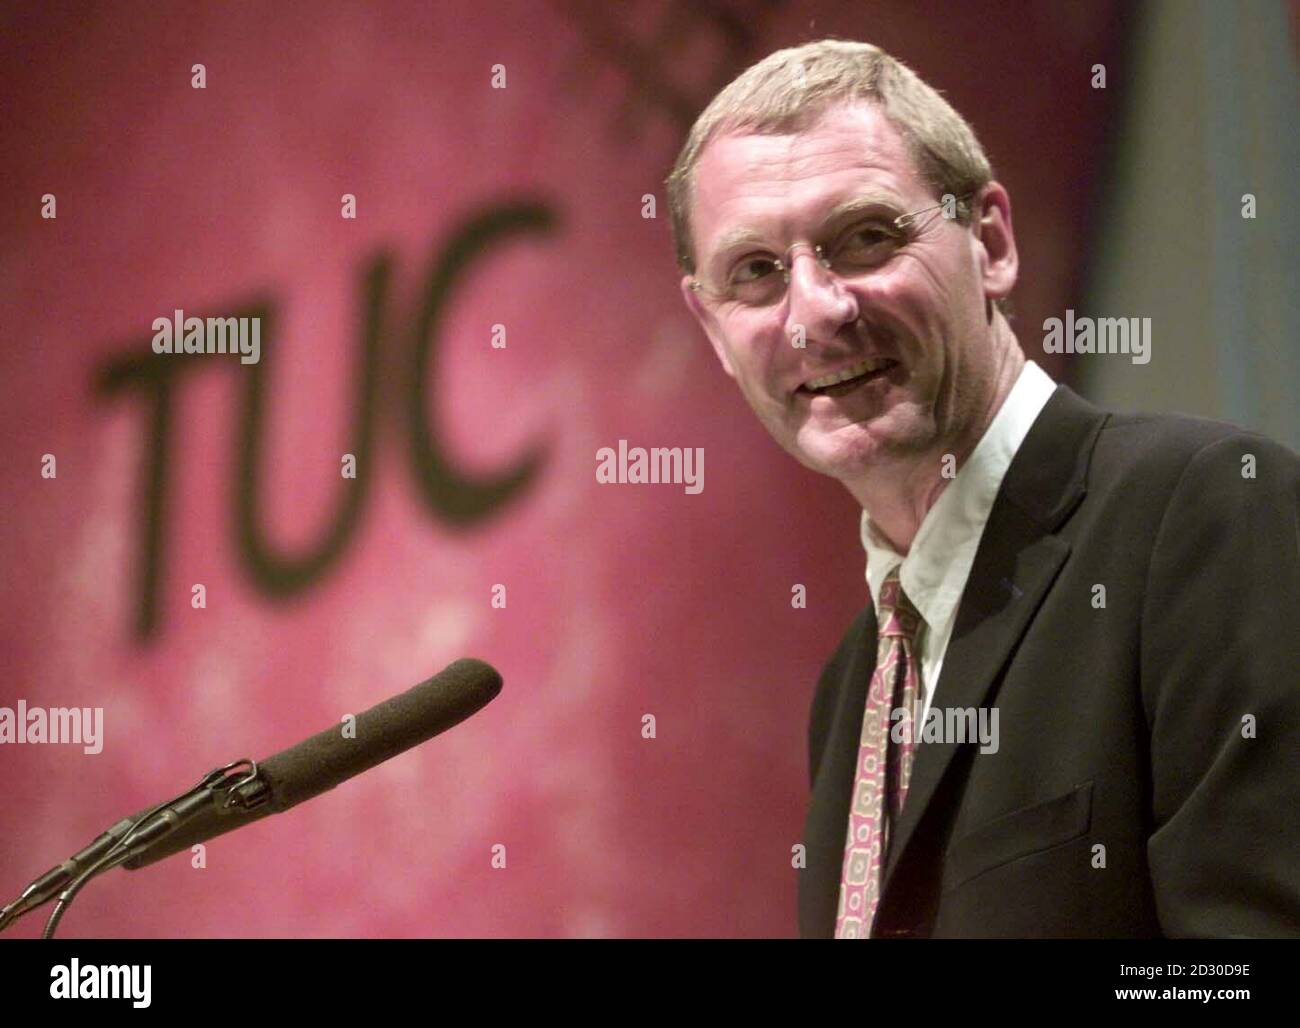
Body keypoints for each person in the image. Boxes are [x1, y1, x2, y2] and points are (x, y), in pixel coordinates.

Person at [668, 38, 1299, 938]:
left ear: (992, 242)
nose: (815, 313)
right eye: (757, 272)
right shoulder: (856, 683)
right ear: (712, 324)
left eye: (866, 238)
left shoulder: (1206, 514)